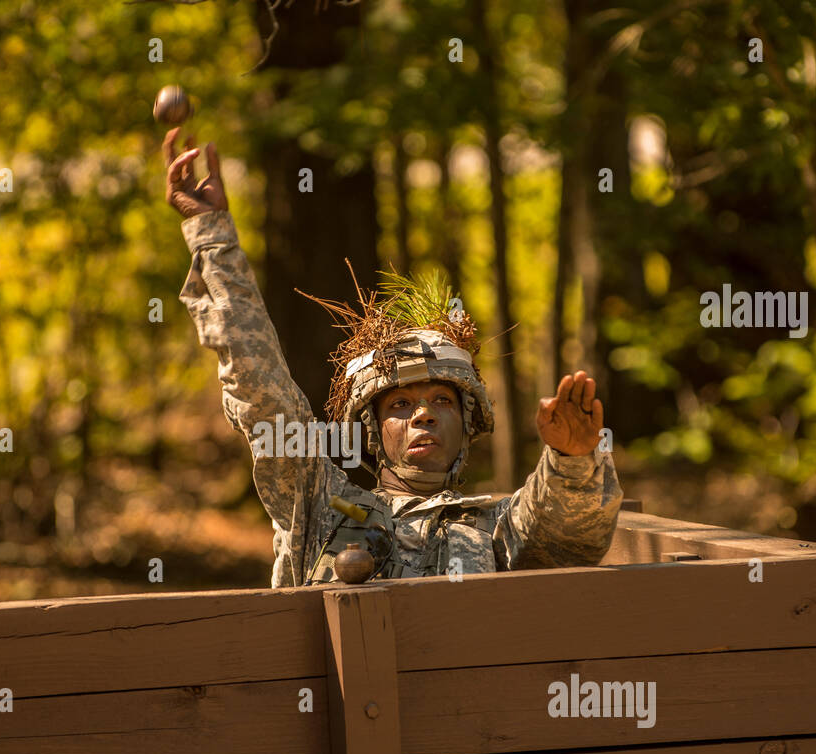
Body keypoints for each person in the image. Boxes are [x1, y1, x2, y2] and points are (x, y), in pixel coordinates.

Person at [164, 130, 623, 586]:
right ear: (372, 430)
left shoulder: (496, 526)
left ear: (466, 423)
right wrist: (212, 238)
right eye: (400, 405)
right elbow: (263, 391)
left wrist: (571, 460)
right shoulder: (323, 504)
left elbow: (567, 540)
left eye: (442, 400)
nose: (423, 414)